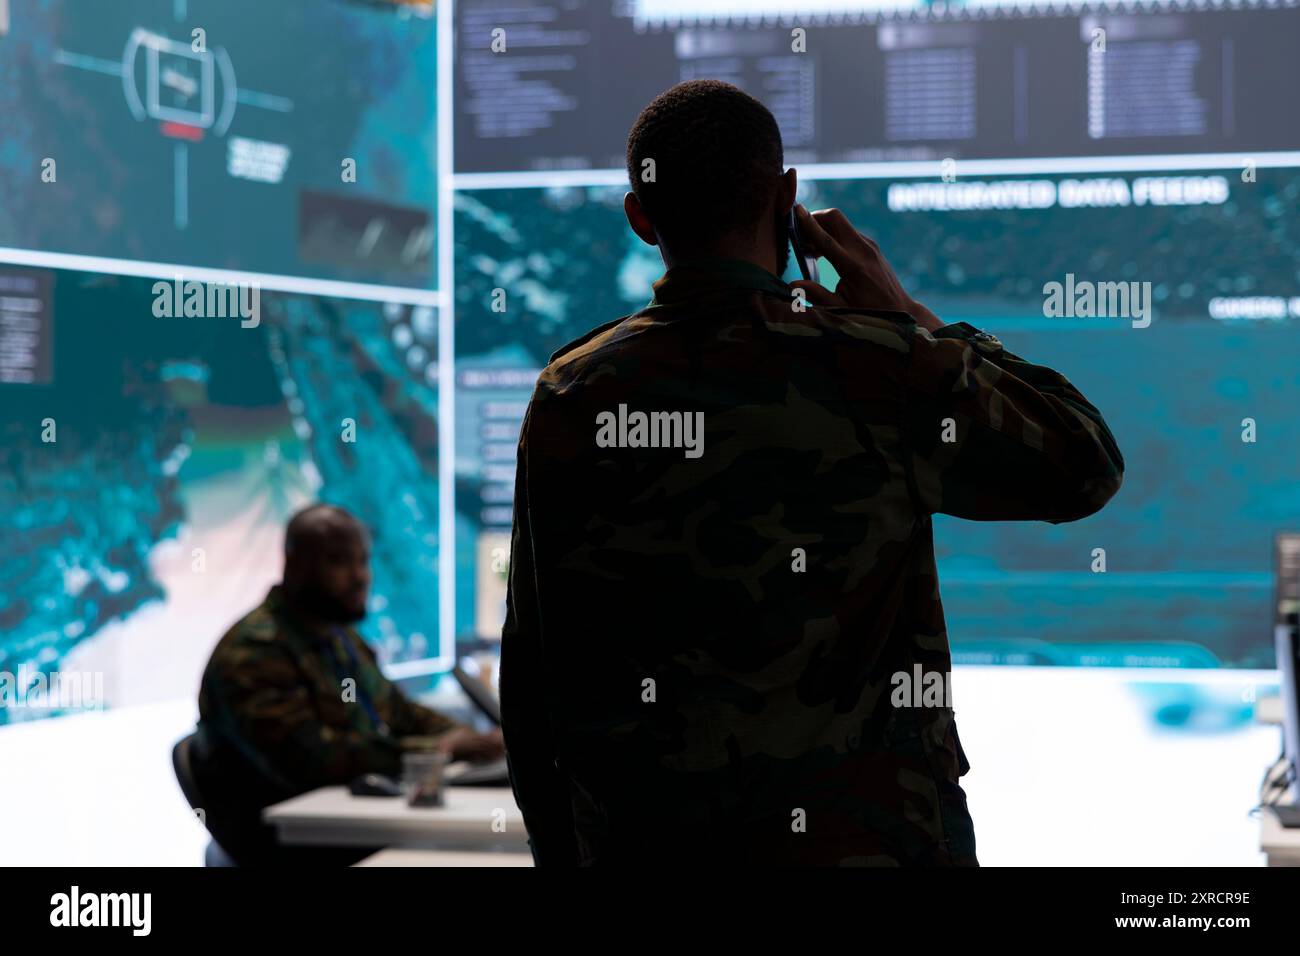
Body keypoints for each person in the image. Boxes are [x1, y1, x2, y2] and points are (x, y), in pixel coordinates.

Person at [499, 80, 1124, 866]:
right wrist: (910, 315)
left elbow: (533, 675)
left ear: (639, 216)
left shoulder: (571, 393)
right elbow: (1084, 463)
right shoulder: (877, 362)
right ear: (788, 198)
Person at [192, 503, 503, 865]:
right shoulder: (254, 652)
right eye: (339, 561)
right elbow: (314, 759)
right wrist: (439, 750)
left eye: (363, 561)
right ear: (295, 565)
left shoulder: (339, 638)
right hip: (291, 845)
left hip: (353, 822)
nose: (360, 577)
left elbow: (399, 711)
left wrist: (473, 741)